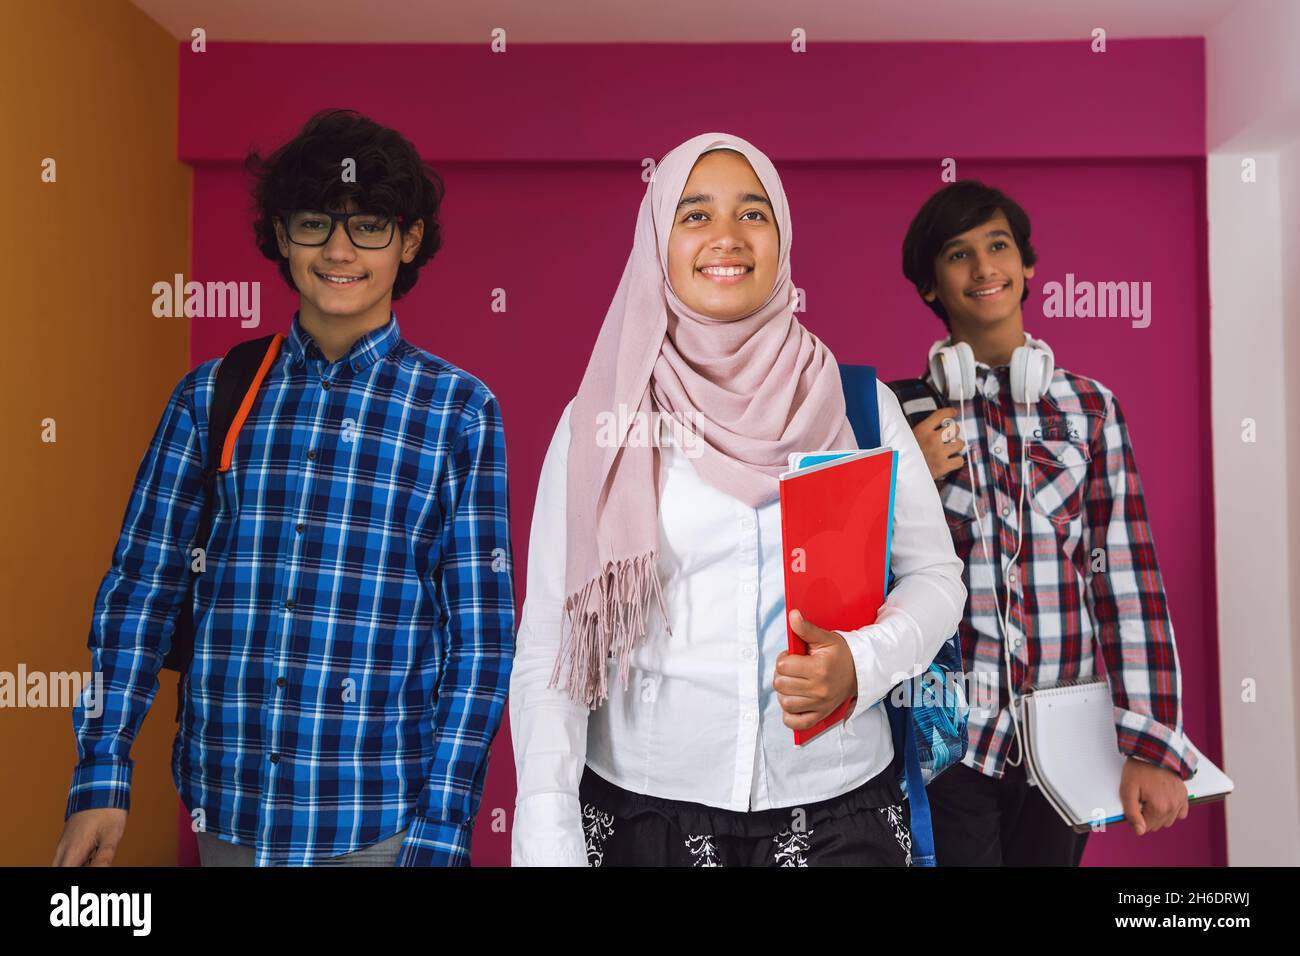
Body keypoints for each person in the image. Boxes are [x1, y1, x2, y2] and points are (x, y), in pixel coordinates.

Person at [52, 109, 515, 867]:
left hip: (381, 823)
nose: (339, 249)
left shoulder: (458, 411)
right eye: (313, 224)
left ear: (409, 240)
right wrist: (101, 771)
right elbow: (139, 591)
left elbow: (481, 640)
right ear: (281, 236)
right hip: (224, 810)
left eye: (368, 225)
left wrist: (445, 825)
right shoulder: (210, 396)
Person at [509, 133, 965, 867]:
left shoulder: (859, 406)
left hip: (840, 804)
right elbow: (550, 645)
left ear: (782, 238)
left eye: (753, 213)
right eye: (694, 215)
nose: (726, 237)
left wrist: (862, 659)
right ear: (658, 240)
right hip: (645, 812)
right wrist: (545, 830)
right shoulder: (603, 420)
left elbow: (938, 579)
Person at [887, 180, 1195, 866]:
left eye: (998, 247)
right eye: (958, 255)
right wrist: (908, 473)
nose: (984, 267)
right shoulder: (894, 415)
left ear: (1026, 267)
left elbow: (1128, 578)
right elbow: (852, 577)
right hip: (945, 739)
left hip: (1067, 739)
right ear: (932, 286)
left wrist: (1152, 742)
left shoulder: (1091, 410)